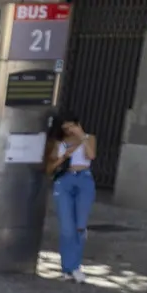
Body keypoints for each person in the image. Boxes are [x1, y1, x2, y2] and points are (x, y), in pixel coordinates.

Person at [46, 110, 97, 283]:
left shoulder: (89, 138)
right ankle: (69, 268)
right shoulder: (59, 142)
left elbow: (91, 155)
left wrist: (81, 135)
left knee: (80, 226)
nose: (68, 130)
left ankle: (74, 266)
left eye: (71, 126)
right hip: (65, 181)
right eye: (65, 126)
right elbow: (50, 168)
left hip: (84, 180)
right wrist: (64, 157)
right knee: (67, 227)